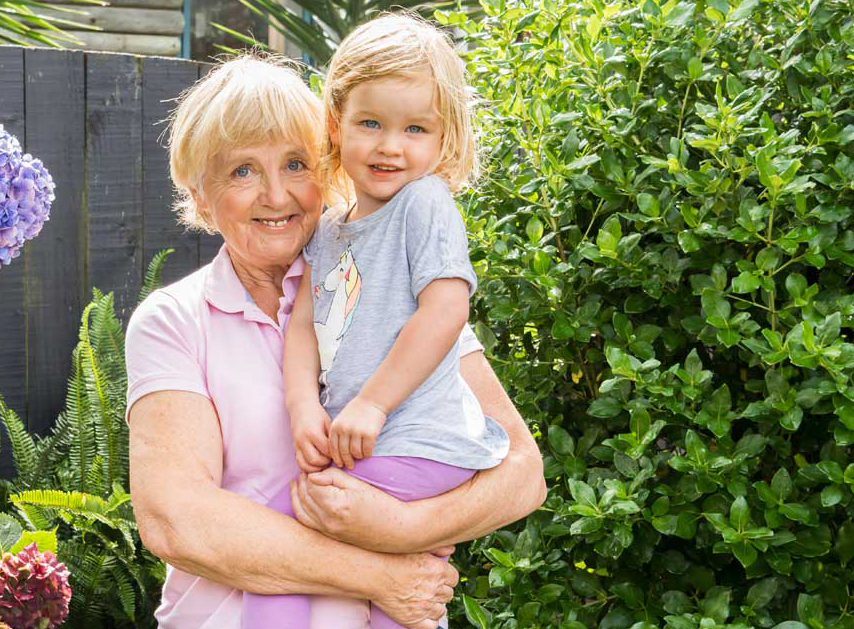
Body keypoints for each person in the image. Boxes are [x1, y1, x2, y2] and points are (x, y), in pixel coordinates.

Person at [124, 52, 547, 629]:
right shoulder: (173, 321)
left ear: (326, 166)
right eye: (242, 171)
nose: (276, 195)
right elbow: (179, 521)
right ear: (200, 195)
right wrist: (383, 576)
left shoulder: (403, 295)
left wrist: (400, 529)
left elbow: (522, 475)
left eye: (296, 164)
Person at [242, 14, 508, 629]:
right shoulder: (330, 227)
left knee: (299, 537)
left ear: (445, 138)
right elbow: (303, 323)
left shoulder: (425, 202)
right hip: (370, 444)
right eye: (371, 124)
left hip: (418, 439)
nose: (391, 145)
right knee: (377, 590)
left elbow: (446, 310)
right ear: (335, 122)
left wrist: (372, 405)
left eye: (415, 128)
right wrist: (303, 407)